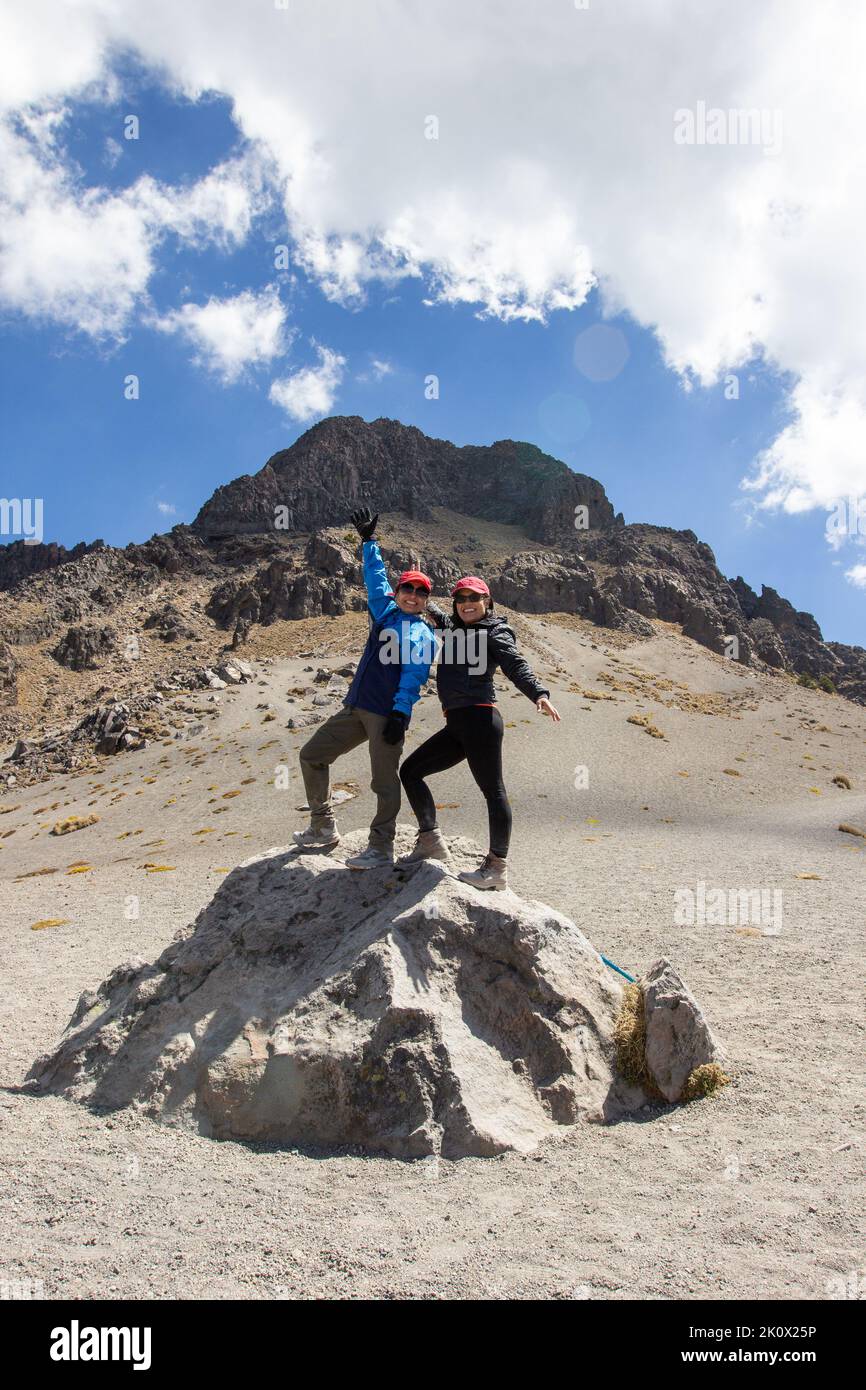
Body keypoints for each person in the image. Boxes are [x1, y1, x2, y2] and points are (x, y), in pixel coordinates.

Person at [293, 506, 434, 869]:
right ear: (400, 590)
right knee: (312, 755)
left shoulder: (421, 633)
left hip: (385, 714)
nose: (413, 595)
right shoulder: (384, 612)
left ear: (426, 600)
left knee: (384, 782)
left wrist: (400, 714)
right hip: (355, 708)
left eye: (421, 592)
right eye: (408, 588)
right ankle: (322, 825)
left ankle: (381, 847)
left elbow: (414, 677)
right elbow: (375, 580)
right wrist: (369, 541)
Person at [398, 575, 560, 890]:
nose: (467, 603)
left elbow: (516, 665)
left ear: (487, 602)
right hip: (457, 724)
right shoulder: (457, 630)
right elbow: (441, 617)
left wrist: (539, 694)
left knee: (493, 791)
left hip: (481, 720)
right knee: (411, 771)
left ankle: (497, 867)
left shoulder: (495, 632)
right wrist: (422, 594)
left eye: (474, 598)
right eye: (461, 599)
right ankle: (430, 841)